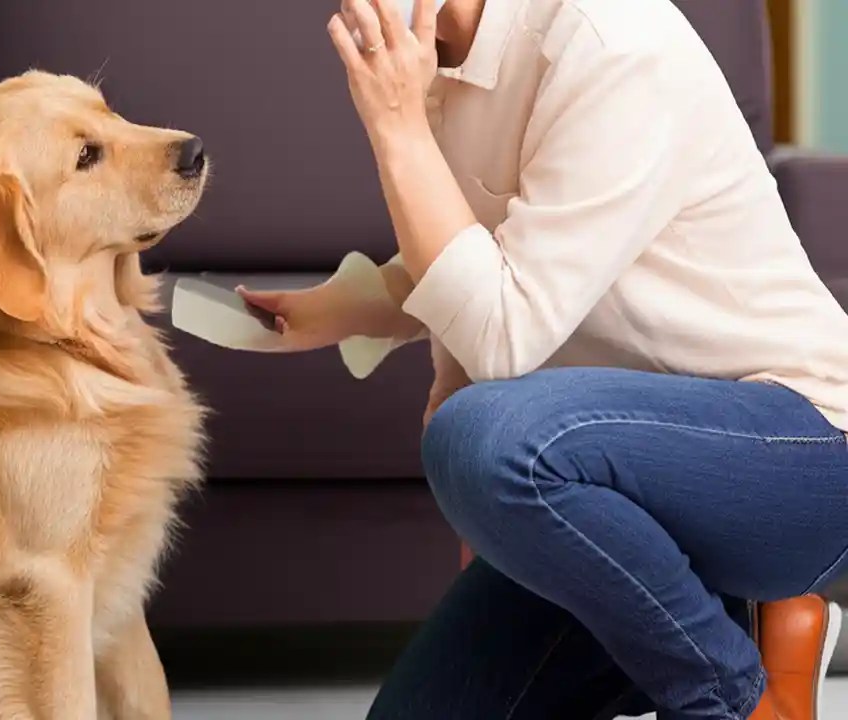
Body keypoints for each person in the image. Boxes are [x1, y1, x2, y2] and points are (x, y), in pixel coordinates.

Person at [236, 0, 848, 718]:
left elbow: (501, 337)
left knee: (483, 437)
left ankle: (737, 700)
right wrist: (342, 308)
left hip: (796, 450)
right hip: (625, 491)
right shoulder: (440, 62)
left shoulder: (613, 44)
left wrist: (395, 127)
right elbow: (477, 252)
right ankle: (746, 620)